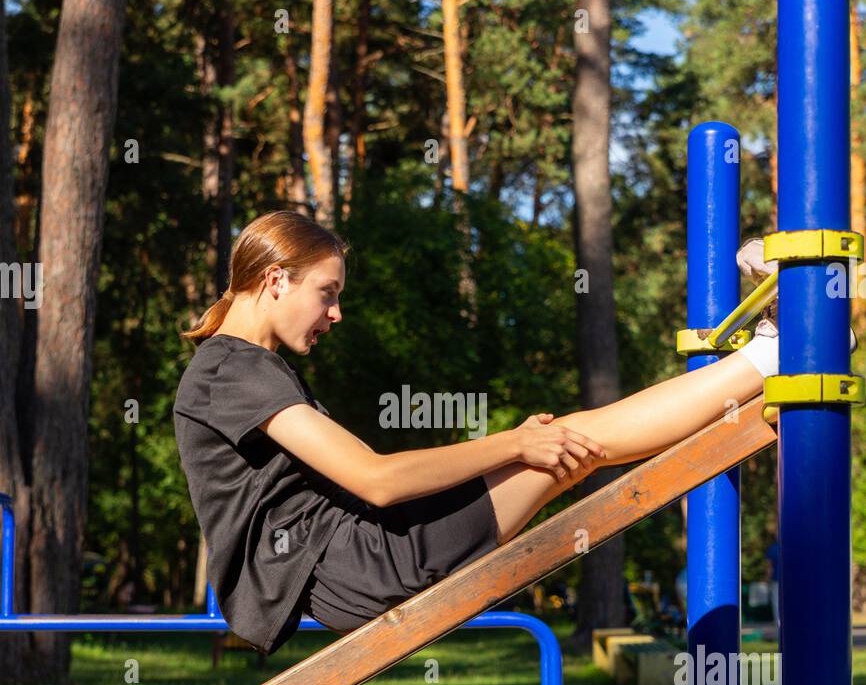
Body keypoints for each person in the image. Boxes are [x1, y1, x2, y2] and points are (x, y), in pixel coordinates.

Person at [171, 213, 826, 655]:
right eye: (327, 292)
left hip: (351, 562)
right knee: (564, 446)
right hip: (357, 566)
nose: (336, 313)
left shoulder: (242, 368)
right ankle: (770, 356)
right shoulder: (232, 370)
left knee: (570, 447)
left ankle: (764, 359)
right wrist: (511, 442)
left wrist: (519, 444)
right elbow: (376, 478)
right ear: (275, 280)